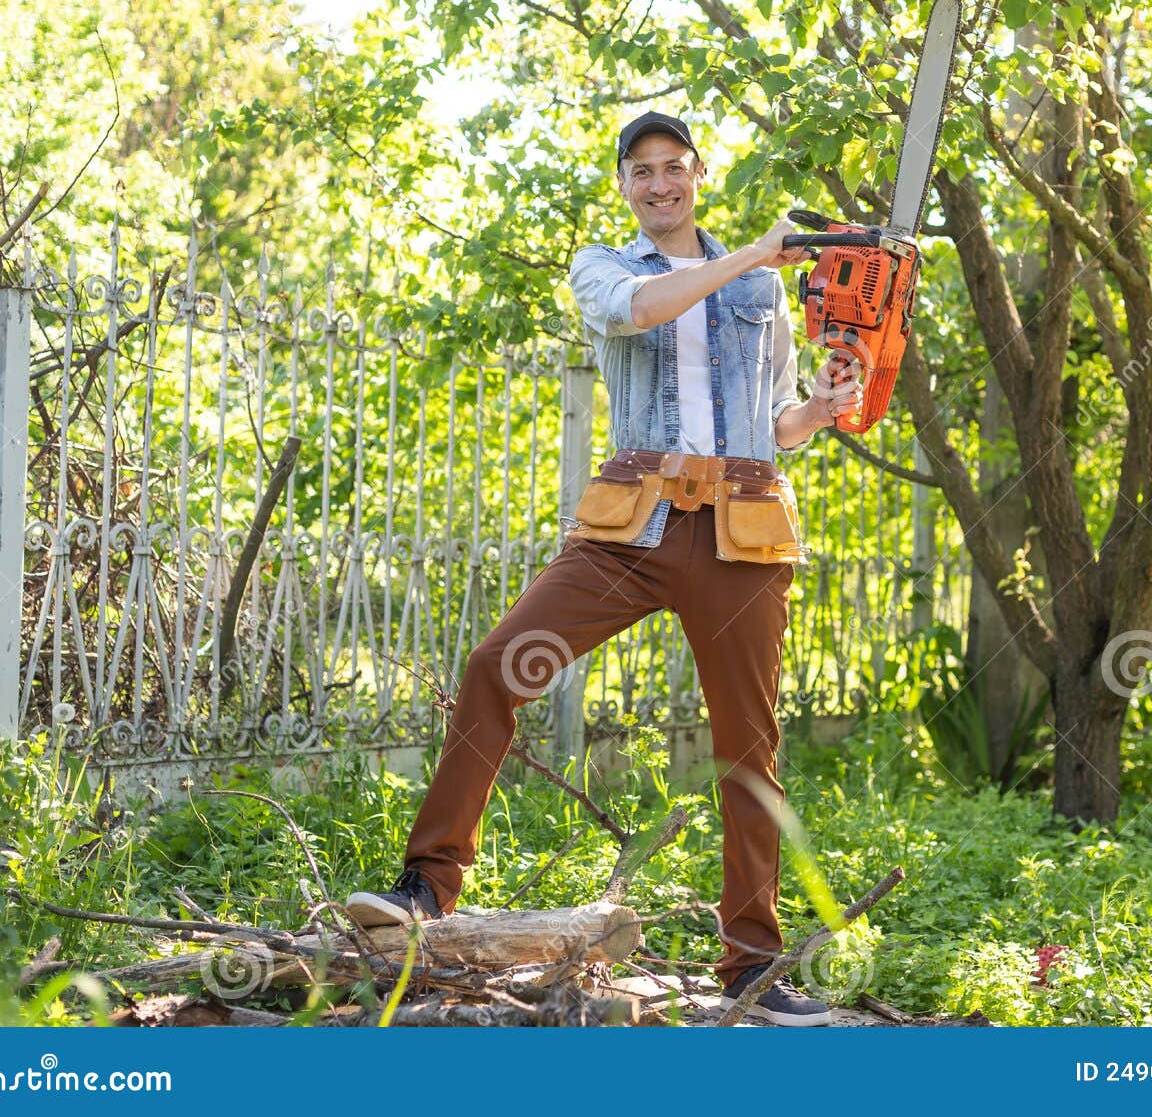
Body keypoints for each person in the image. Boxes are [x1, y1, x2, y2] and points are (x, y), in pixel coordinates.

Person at [346, 111, 863, 1026]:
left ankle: (751, 965)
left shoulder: (765, 296)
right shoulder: (607, 266)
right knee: (499, 664)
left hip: (741, 528)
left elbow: (774, 419)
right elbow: (640, 312)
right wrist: (753, 252)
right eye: (642, 173)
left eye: (674, 168)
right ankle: (426, 890)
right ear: (626, 187)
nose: (660, 185)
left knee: (749, 747)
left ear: (699, 172)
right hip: (633, 525)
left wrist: (820, 410)